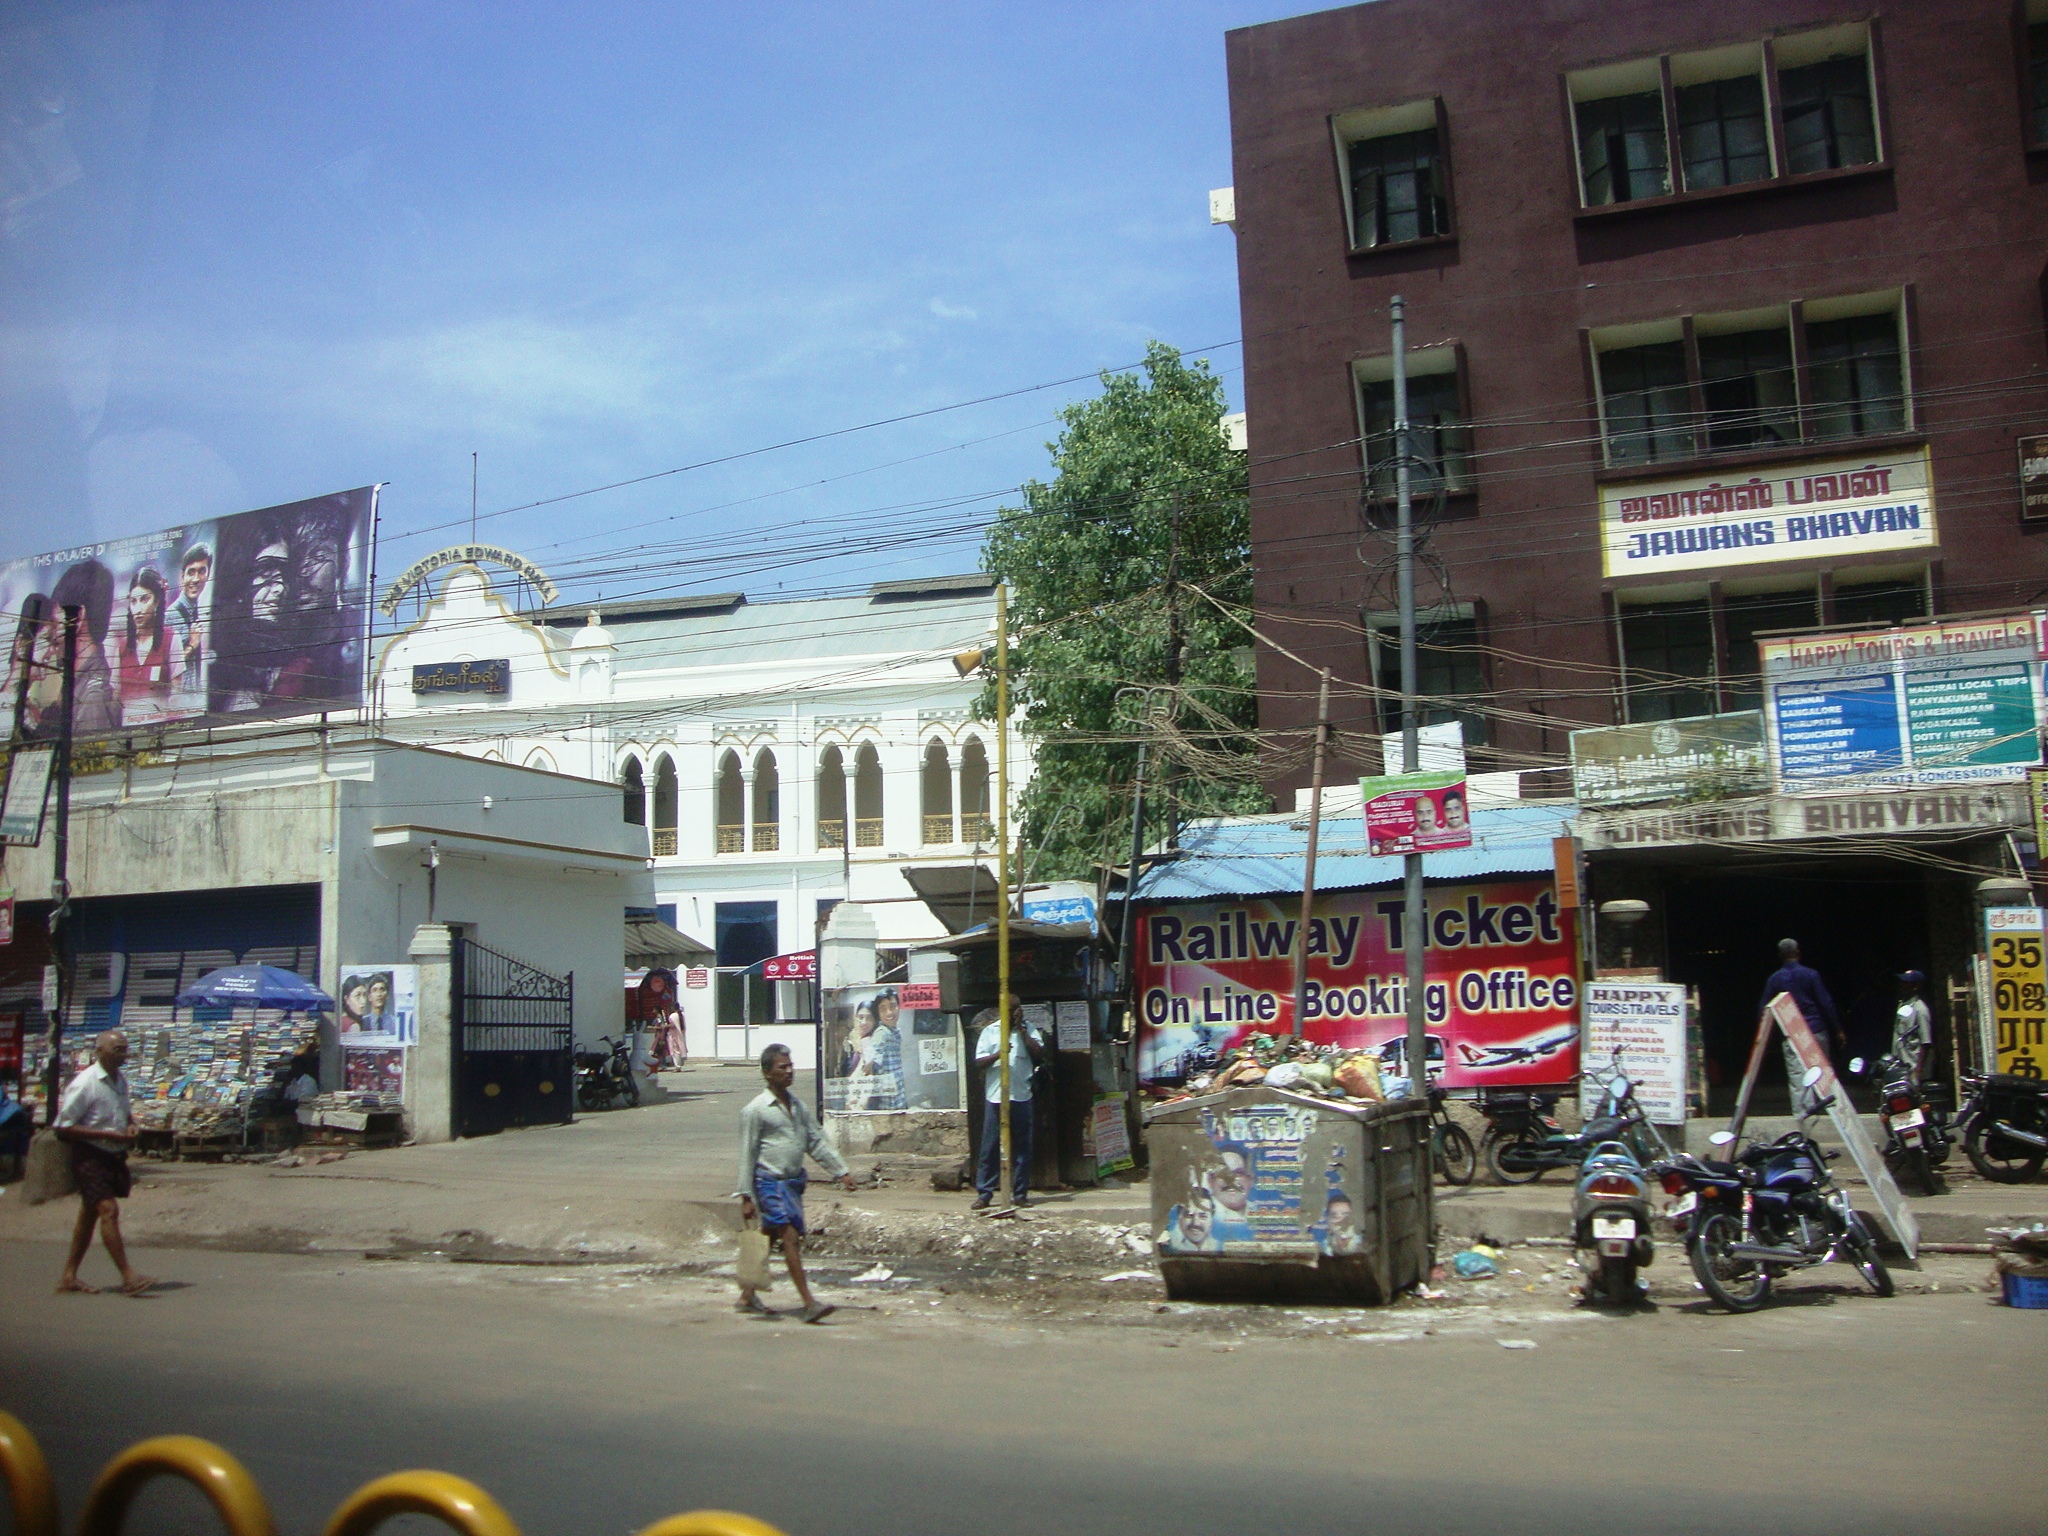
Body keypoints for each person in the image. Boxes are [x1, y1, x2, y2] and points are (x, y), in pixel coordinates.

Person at [735, 1042, 858, 1323]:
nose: (789, 1072)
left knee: (768, 1235)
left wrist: (841, 1171)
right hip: (768, 1182)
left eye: (790, 1066)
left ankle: (746, 1295)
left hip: (792, 1184)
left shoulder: (798, 1107)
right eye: (782, 1068)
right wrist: (744, 1196)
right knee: (789, 1237)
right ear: (767, 1073)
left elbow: (816, 1142)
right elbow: (746, 1155)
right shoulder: (755, 1110)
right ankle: (808, 1303)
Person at [54, 1030, 155, 1296]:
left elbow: (123, 1112)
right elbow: (62, 1127)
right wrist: (104, 1134)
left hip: (113, 1154)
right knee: (108, 1211)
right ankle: (128, 1276)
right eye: (116, 1050)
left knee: (89, 1215)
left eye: (124, 1050)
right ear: (99, 1051)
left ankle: (69, 1276)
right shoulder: (86, 1083)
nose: (122, 1055)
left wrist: (130, 1126)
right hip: (89, 1155)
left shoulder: (119, 1081)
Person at [971, 1000, 1045, 1209]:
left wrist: (1021, 1030)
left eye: (1018, 1010)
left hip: (1022, 1095)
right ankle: (984, 1194)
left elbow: (1039, 1052)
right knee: (990, 1147)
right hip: (996, 1097)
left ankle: (1020, 1194)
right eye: (1011, 1010)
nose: (1015, 1013)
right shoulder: (991, 1032)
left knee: (1023, 1148)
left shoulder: (1028, 1029)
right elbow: (979, 1062)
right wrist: (998, 1054)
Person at [1761, 938, 1841, 1116]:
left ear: (1780, 956)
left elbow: (1764, 1009)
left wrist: (1766, 1037)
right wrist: (1838, 1029)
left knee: (1797, 1076)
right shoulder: (1811, 975)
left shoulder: (1775, 979)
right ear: (1798, 953)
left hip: (1791, 1032)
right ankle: (1834, 1112)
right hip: (1815, 1029)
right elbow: (1826, 1003)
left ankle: (1803, 1116)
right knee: (1822, 1071)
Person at [115, 567, 174, 722]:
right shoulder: (122, 646)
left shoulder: (170, 638)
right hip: (126, 734)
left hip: (161, 731)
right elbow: (114, 696)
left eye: (144, 600)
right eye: (133, 602)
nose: (138, 610)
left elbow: (177, 695)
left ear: (157, 600)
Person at [168, 543, 211, 703]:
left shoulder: (198, 611)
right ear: (182, 576)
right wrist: (192, 645)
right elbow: (164, 666)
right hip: (177, 704)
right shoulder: (171, 615)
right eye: (190, 572)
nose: (195, 579)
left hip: (194, 703)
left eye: (201, 571)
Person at [860, 990, 906, 1111]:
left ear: (899, 1007)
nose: (889, 1012)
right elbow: (870, 1062)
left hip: (899, 1101)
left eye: (892, 1006)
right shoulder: (882, 1034)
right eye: (883, 1009)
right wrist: (868, 1059)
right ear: (878, 1014)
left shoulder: (895, 1032)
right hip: (887, 1108)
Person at [1893, 970, 1933, 1085]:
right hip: (1899, 1066)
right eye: (1902, 982)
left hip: (1912, 1068)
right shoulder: (1902, 1006)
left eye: (1906, 982)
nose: (1902, 985)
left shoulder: (1920, 1009)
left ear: (1915, 986)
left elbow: (1926, 1043)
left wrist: (1918, 1070)